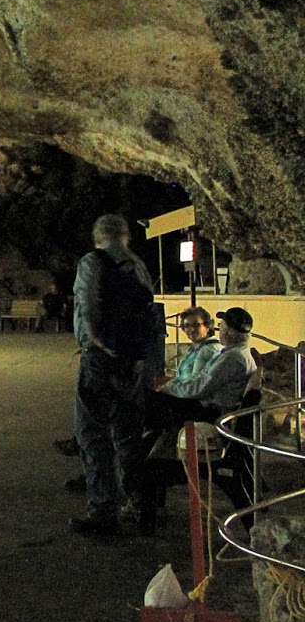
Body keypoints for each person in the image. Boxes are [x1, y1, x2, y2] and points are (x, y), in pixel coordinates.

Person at [70, 213, 159, 537]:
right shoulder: (137, 264)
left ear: (97, 236)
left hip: (101, 361)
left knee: (92, 434)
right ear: (126, 237)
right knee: (128, 435)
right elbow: (150, 312)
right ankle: (138, 502)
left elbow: (88, 309)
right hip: (132, 362)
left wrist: (98, 345)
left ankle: (103, 511)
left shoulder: (92, 262)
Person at [144, 306, 256, 432]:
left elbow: (199, 387)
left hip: (212, 412)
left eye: (221, 325)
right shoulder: (236, 353)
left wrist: (167, 388)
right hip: (212, 408)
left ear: (227, 331)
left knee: (145, 401)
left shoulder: (232, 358)